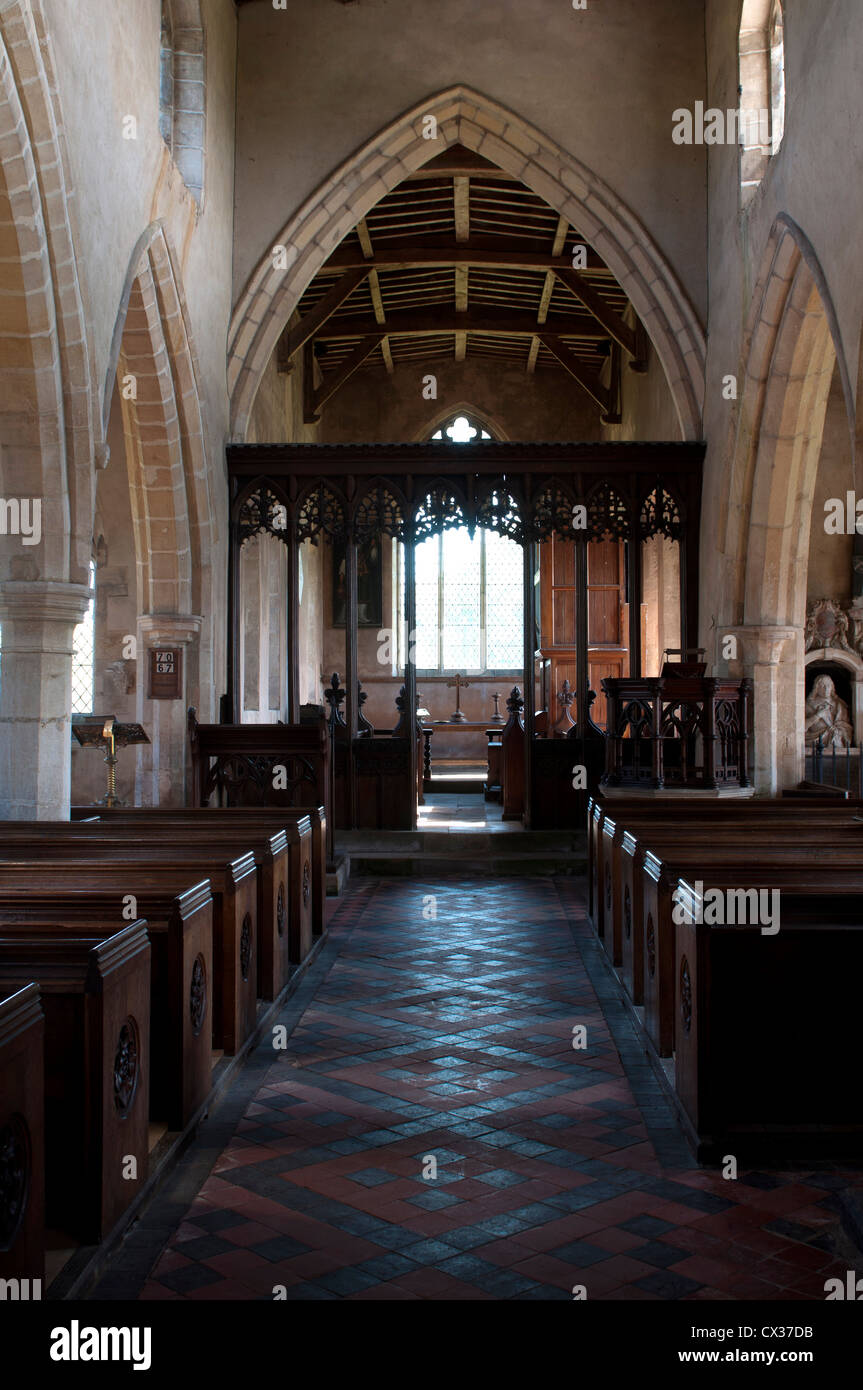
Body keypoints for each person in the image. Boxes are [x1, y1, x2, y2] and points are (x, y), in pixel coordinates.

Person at [805, 674, 853, 748]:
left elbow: (845, 727)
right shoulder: (808, 704)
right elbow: (801, 728)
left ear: (832, 687)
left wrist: (837, 731)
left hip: (835, 740)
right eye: (823, 686)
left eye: (829, 685)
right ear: (816, 688)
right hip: (813, 740)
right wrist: (817, 715)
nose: (826, 689)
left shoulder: (839, 705)